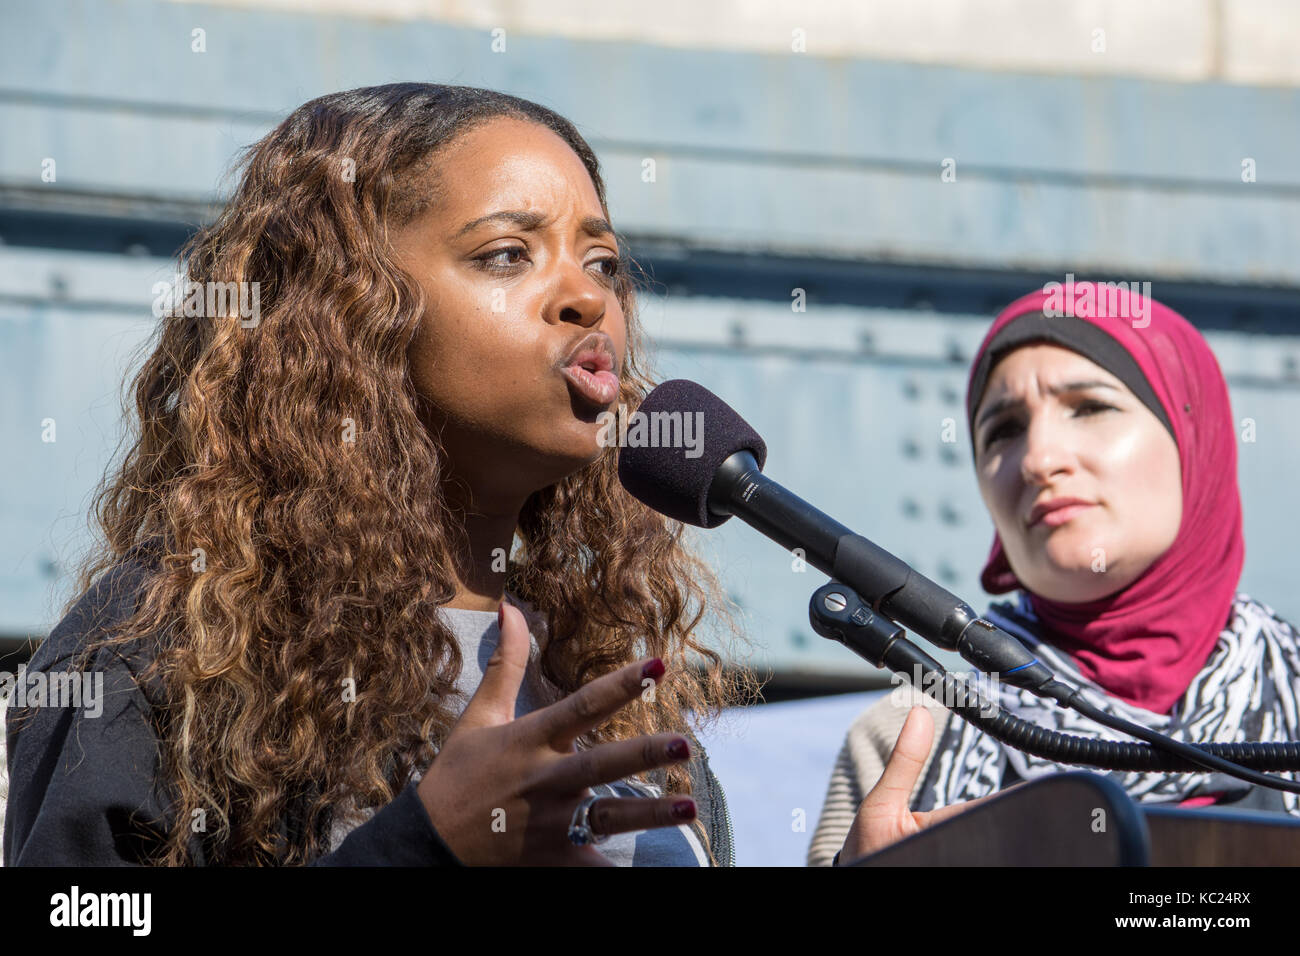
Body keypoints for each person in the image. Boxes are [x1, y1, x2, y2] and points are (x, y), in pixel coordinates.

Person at [3, 83, 775, 866]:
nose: (587, 298)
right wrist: (420, 849)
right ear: (347, 313)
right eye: (507, 254)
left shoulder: (610, 687)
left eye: (603, 262)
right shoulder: (175, 650)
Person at [808, 282, 1300, 867]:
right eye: (1004, 431)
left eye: (1090, 407)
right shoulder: (907, 736)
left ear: (1197, 438)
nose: (1040, 459)